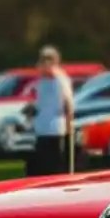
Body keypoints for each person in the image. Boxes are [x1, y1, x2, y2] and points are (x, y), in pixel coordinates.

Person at [27, 46, 74, 177]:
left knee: (56, 166)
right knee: (43, 167)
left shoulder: (60, 80)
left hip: (55, 130)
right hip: (42, 129)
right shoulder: (41, 82)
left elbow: (68, 104)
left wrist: (69, 126)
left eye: (47, 60)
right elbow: (40, 103)